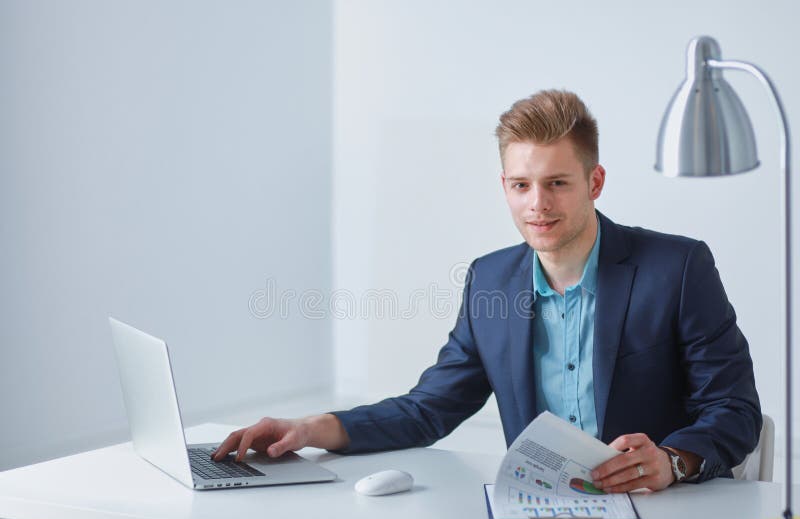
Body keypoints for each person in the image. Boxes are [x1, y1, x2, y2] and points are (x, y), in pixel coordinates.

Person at [213, 89, 761, 493]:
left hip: (658, 511)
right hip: (539, 511)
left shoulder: (678, 267)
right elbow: (427, 409)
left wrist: (672, 459)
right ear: (505, 186)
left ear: (594, 183)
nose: (537, 205)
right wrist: (307, 428)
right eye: (521, 185)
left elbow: (735, 409)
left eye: (557, 184)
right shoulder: (489, 280)